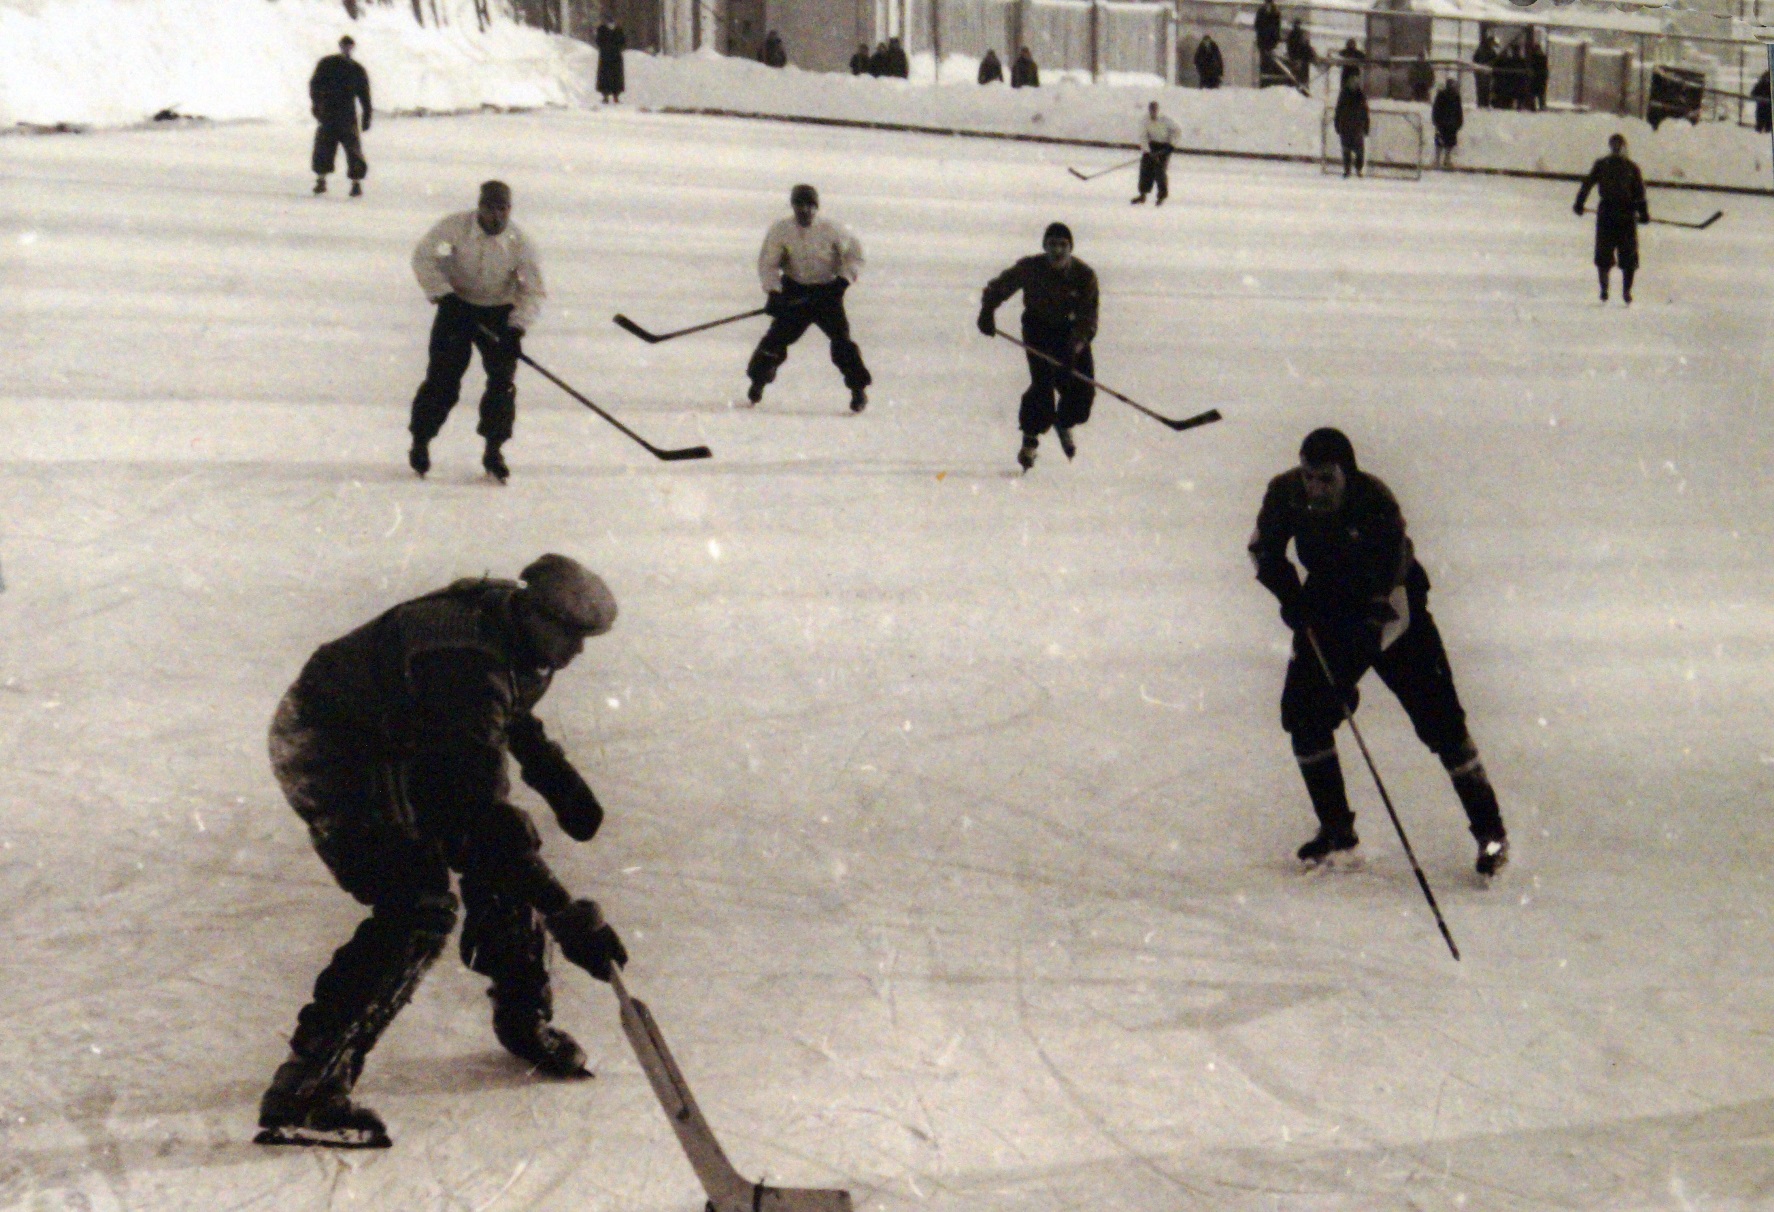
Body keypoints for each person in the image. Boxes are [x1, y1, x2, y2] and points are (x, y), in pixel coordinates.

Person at [254, 555, 630, 1148]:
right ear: (532, 610)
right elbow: (470, 799)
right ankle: (308, 1088)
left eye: (586, 638)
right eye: (569, 634)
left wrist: (556, 778)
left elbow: (509, 709)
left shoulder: (517, 635)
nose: (577, 652)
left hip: (409, 733)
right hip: (335, 743)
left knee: (503, 847)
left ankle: (521, 1012)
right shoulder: (462, 660)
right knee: (419, 900)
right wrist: (563, 913)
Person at [1249, 428, 1509, 877]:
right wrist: (1291, 596)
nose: (1316, 489)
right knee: (1304, 714)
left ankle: (1491, 834)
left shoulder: (1377, 505)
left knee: (1442, 723)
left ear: (1346, 474)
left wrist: (1355, 656)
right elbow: (1262, 549)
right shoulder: (1284, 493)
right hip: (1328, 603)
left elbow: (1387, 588)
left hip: (1393, 613)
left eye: (1327, 479)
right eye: (1310, 477)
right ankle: (1337, 833)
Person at [407, 181, 545, 483]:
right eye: (489, 207)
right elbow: (426, 258)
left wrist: (516, 329)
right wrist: (444, 295)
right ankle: (421, 440)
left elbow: (533, 291)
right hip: (456, 310)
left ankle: (493, 450)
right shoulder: (454, 229)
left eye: (502, 208)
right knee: (442, 380)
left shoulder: (519, 242)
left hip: (498, 314)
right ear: (479, 206)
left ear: (509, 209)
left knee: (502, 384)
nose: (495, 215)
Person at [977, 222, 1099, 472]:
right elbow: (999, 286)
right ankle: (1030, 440)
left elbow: (1088, 318)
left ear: (1071, 248)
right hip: (1039, 331)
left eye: (1063, 245)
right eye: (1052, 244)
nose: (1057, 250)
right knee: (1042, 388)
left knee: (1082, 395)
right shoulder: (1031, 267)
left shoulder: (1085, 275)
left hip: (1071, 334)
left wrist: (1074, 347)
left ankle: (1063, 421)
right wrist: (987, 310)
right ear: (1044, 246)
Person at [745, 184, 871, 412]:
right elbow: (768, 263)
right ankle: (758, 381)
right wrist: (773, 292)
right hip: (795, 293)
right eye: (799, 205)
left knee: (842, 343)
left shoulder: (833, 229)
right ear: (793, 206)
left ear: (816, 207)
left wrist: (842, 281)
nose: (804, 210)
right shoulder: (781, 230)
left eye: (809, 205)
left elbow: (855, 256)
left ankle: (857, 390)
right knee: (774, 341)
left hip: (827, 294)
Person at [1574, 133, 1649, 305]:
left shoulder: (1605, 165)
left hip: (1611, 213)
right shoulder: (1630, 167)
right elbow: (1639, 193)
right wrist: (1643, 212)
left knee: (1606, 254)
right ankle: (1622, 291)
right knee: (1625, 256)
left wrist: (1579, 203)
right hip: (1623, 214)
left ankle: (1608, 290)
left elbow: (1587, 184)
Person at [309, 35, 372, 197]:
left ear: (353, 48)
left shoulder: (357, 69)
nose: (347, 49)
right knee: (324, 148)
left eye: (349, 46)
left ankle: (356, 183)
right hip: (328, 113)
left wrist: (367, 115)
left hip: (347, 115)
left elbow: (364, 94)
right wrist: (316, 105)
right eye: (344, 46)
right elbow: (315, 85)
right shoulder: (327, 64)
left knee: (353, 150)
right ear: (340, 46)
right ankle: (321, 180)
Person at [1131, 101, 1182, 206]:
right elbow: (1143, 136)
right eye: (1151, 110)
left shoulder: (1166, 119)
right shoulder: (1145, 120)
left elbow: (1177, 131)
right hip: (1151, 146)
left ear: (1158, 110)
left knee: (1160, 171)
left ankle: (1161, 196)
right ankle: (1142, 195)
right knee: (1145, 169)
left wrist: (1171, 146)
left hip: (1164, 147)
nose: (1153, 112)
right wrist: (1147, 151)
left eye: (1155, 110)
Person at [1333, 74, 1369, 178]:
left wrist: (1366, 126)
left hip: (1357, 127)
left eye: (1356, 81)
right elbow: (1338, 110)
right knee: (1346, 149)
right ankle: (1347, 170)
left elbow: (1365, 111)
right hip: (1346, 126)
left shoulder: (1360, 95)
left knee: (1359, 150)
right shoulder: (1344, 94)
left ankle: (1358, 169)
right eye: (1352, 81)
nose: (1354, 83)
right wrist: (1337, 124)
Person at [1431, 75, 1463, 169]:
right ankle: (1442, 160)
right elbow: (1437, 109)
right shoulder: (1445, 95)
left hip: (1448, 123)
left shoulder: (1455, 96)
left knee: (1445, 143)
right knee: (1444, 142)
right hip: (1446, 123)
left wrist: (1459, 122)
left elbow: (1458, 111)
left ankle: (1444, 160)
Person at [594, 16, 626, 103]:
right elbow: (598, 41)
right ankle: (605, 96)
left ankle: (616, 96)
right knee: (605, 77)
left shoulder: (619, 30)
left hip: (615, 57)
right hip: (606, 57)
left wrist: (617, 48)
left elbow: (623, 42)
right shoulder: (602, 30)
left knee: (616, 77)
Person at [1254, 0, 1283, 87]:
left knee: (1269, 62)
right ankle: (1264, 83)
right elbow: (1257, 25)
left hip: (1270, 42)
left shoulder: (1275, 12)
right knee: (1265, 62)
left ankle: (1268, 83)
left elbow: (1277, 27)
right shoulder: (1263, 12)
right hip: (1264, 42)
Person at [1284, 19, 1316, 91]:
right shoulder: (1300, 34)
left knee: (1296, 77)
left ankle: (1298, 88)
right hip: (1300, 58)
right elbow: (1305, 47)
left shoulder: (1292, 35)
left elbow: (1291, 48)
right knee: (1300, 78)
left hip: (1296, 58)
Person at [1472, 31, 1498, 109]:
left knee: (1484, 89)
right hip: (1482, 73)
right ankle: (1482, 103)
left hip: (1483, 73)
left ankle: (1483, 103)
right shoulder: (1483, 51)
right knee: (1483, 88)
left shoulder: (1484, 50)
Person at [1525, 32, 1548, 112]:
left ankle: (1537, 106)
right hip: (1539, 78)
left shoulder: (1535, 58)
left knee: (1536, 93)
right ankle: (1538, 106)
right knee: (1538, 94)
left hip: (1537, 78)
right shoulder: (1542, 57)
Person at [1752, 69, 1770, 134]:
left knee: (1763, 121)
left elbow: (1753, 93)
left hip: (1763, 106)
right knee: (1763, 121)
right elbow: (1754, 93)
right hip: (1762, 106)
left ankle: (1761, 129)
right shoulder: (1761, 84)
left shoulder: (1761, 83)